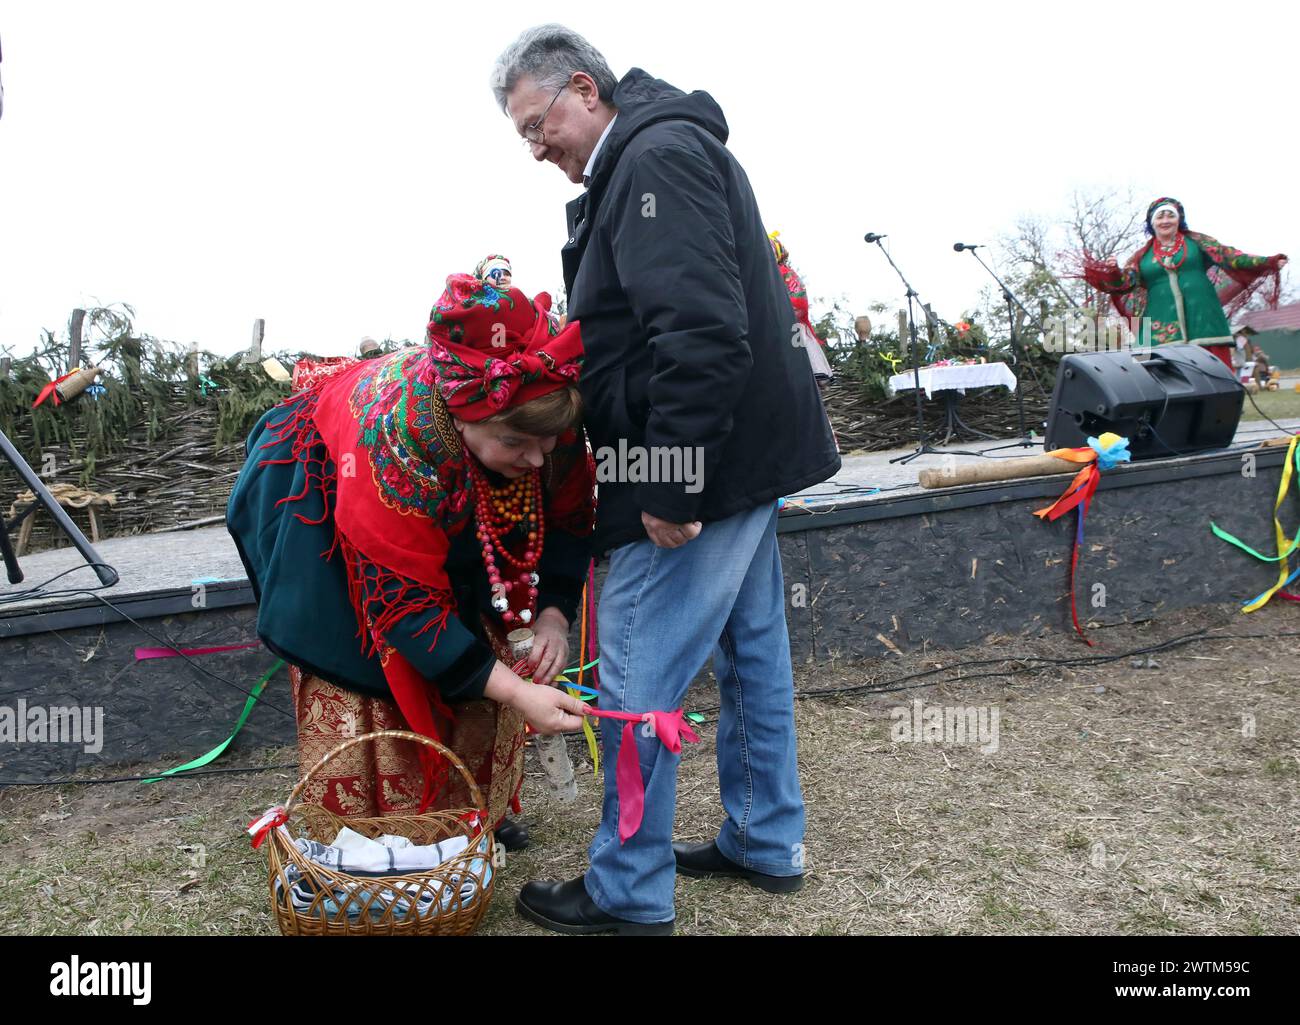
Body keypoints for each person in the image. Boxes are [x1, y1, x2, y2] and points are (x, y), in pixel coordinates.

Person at [492, 24, 840, 934]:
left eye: (538, 125)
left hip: (693, 466)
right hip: (741, 456)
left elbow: (699, 333)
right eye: (524, 137)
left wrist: (671, 484)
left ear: (582, 88)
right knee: (753, 652)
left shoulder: (653, 160)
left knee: (640, 669)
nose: (537, 149)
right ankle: (767, 838)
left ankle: (627, 888)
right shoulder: (655, 152)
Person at [227, 274, 593, 849]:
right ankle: (375, 832)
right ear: (463, 415)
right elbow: (408, 609)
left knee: (482, 629)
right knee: (366, 657)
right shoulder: (393, 437)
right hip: (329, 496)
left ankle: (474, 813)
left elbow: (571, 519)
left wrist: (554, 614)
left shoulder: (543, 412)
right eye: (517, 444)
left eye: (548, 442)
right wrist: (522, 697)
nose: (538, 458)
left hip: (451, 487)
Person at [1084, 197, 1287, 370]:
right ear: (1151, 223)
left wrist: (1268, 261)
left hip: (1203, 317)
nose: (1166, 220)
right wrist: (1112, 272)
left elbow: (1230, 256)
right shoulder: (1142, 256)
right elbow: (1124, 283)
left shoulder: (1198, 242)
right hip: (1159, 321)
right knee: (1155, 373)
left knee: (1213, 373)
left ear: (1179, 219)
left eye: (1171, 215)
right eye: (1160, 216)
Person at [769, 231, 834, 384]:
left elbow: (800, 303)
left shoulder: (785, 274)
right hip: (778, 328)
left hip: (793, 329)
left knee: (798, 365)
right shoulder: (769, 275)